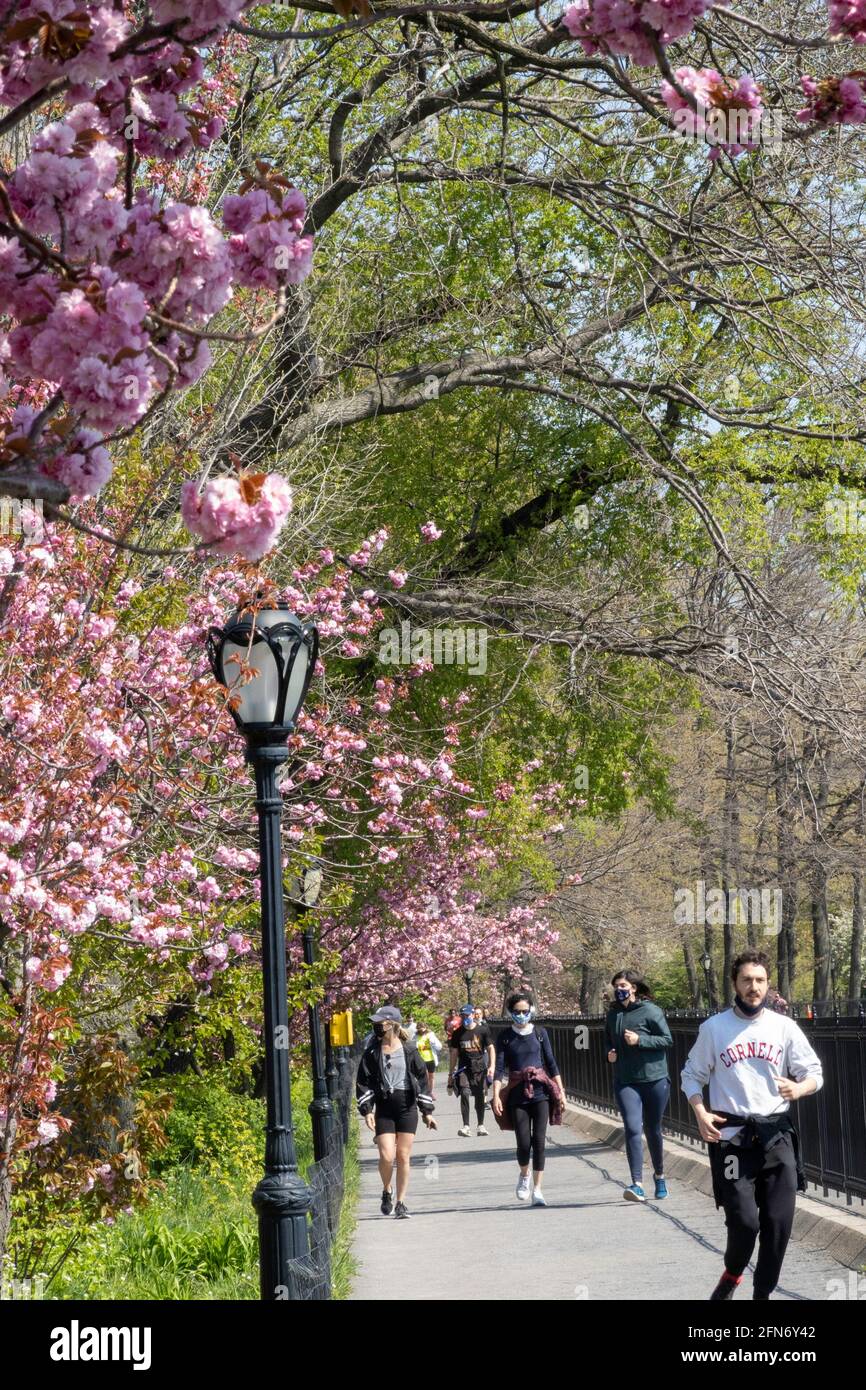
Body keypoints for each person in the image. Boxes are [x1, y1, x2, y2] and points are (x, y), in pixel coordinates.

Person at [681, 948, 824, 1301]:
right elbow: (690, 1076)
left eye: (760, 980)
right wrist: (700, 1113)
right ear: (735, 983)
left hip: (776, 1136)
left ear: (768, 985)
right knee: (744, 1223)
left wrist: (799, 1087)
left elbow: (814, 1073)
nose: (753, 987)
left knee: (778, 1224)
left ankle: (762, 1293)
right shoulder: (714, 1029)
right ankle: (732, 1274)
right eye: (747, 980)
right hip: (732, 1140)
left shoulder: (783, 1027)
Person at [355, 1005, 436, 1219]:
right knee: (386, 1155)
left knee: (402, 1155)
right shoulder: (372, 1052)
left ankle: (400, 1203)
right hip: (384, 1108)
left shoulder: (409, 1050)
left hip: (407, 1107)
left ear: (392, 1024)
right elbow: (363, 1081)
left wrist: (427, 1111)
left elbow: (421, 1080)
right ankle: (386, 1189)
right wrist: (367, 1111)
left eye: (380, 1023)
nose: (376, 1027)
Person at [605, 968, 673, 1203]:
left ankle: (660, 1175)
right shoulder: (613, 1014)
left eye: (623, 986)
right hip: (625, 1080)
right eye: (616, 986)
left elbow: (667, 1040)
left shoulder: (651, 1011)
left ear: (633, 988)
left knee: (652, 1129)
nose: (619, 990)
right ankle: (637, 1183)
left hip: (654, 1079)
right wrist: (609, 1053)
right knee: (633, 1128)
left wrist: (639, 1040)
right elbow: (607, 1041)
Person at [492, 992, 566, 1206]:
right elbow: (499, 1069)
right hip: (517, 1092)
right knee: (524, 1142)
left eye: (525, 1011)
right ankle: (524, 1175)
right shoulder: (505, 1036)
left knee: (540, 1142)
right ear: (510, 1013)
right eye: (517, 1012)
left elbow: (551, 1063)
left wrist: (560, 1092)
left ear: (531, 1010)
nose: (522, 1015)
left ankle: (538, 1189)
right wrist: (496, 1094)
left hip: (541, 1091)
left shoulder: (540, 1033)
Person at [448, 1003, 495, 1137]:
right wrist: (451, 1073)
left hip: (479, 1067)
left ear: (473, 1014)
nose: (465, 1017)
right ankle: (466, 1126)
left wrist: (492, 1066)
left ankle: (481, 1125)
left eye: (467, 1015)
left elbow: (491, 1048)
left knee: (480, 1095)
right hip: (464, 1068)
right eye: (462, 1015)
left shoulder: (482, 1030)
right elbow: (454, 1053)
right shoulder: (457, 1033)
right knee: (464, 1092)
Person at [416, 1022, 442, 1096]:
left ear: (425, 1028)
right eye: (419, 1028)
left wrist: (432, 1041)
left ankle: (431, 1092)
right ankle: (425, 1092)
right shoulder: (416, 1036)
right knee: (425, 1076)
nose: (421, 1030)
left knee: (431, 1077)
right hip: (421, 1059)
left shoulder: (430, 1035)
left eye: (423, 1028)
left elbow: (439, 1047)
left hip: (430, 1059)